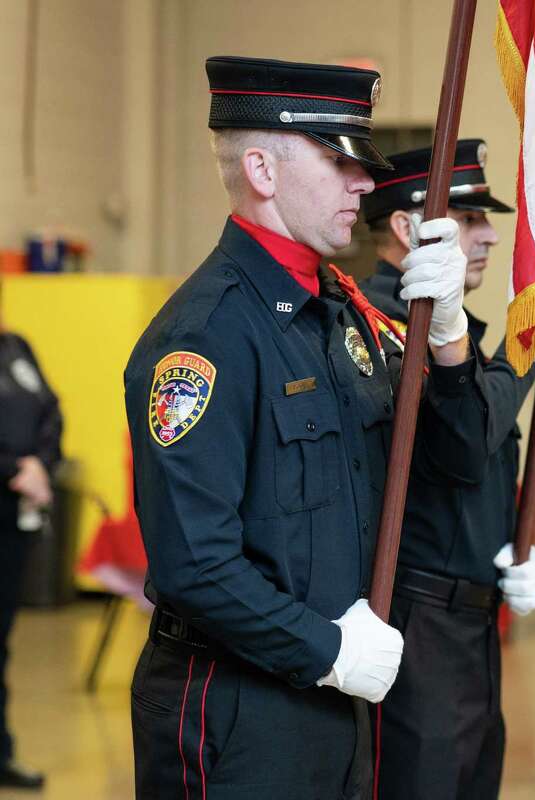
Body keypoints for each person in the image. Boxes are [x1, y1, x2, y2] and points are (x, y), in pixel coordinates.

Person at [124, 56, 484, 799]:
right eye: (339, 162)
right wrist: (329, 650)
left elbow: (453, 464)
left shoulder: (340, 316)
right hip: (238, 707)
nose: (364, 184)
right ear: (262, 169)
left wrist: (450, 340)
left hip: (330, 698)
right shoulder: (205, 338)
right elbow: (195, 566)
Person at [359, 140, 535, 799]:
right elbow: (465, 444)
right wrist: (523, 349)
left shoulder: (457, 334)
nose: (490, 236)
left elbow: (479, 462)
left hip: (471, 625)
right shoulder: (376, 330)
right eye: (469, 218)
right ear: (406, 226)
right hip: (415, 623)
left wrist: (507, 549)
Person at [0, 291, 61, 790]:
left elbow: (51, 410)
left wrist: (41, 464)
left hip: (14, 514)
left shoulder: (15, 346)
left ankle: (0, 752)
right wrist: (14, 469)